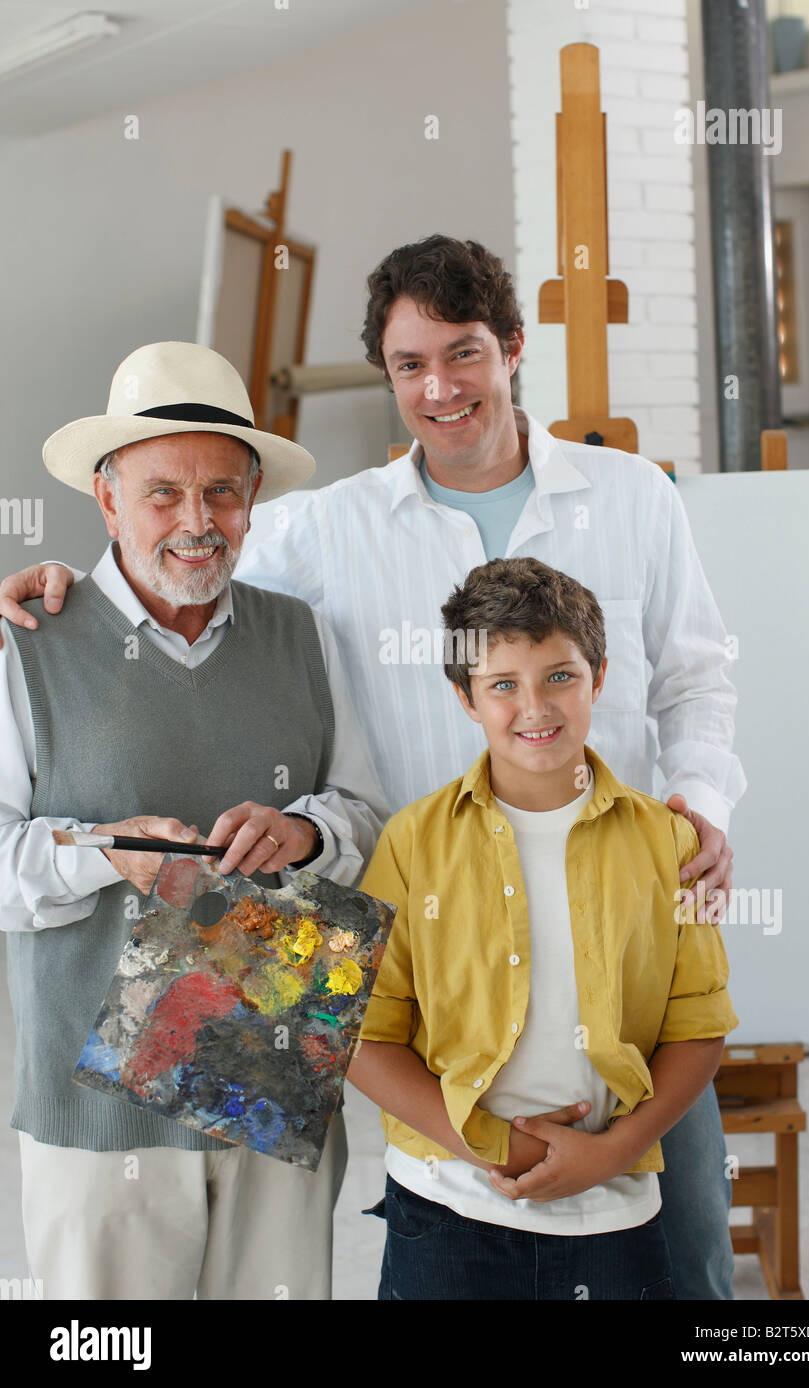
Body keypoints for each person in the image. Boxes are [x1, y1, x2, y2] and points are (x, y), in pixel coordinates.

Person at [0, 235, 744, 1298]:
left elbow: (698, 679)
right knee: (436, 1236)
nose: (438, 387)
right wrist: (49, 595)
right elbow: (171, 557)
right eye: (408, 363)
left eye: (464, 353)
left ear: (512, 350)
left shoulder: (630, 499)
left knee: (681, 1266)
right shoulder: (327, 530)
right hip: (412, 972)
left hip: (616, 943)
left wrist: (701, 803)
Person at [0, 340, 389, 1300]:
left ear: (253, 499)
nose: (196, 521)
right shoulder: (29, 647)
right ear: (107, 499)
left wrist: (305, 833)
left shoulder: (300, 634)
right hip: (97, 1121)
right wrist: (107, 854)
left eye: (222, 492)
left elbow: (366, 810)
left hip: (274, 1069)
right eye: (163, 493)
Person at [347, 556, 738, 1300]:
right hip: (445, 1204)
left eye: (560, 676)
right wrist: (488, 1139)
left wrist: (614, 1152)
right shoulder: (411, 841)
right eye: (503, 685)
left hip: (614, 1214)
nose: (535, 707)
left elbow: (699, 1026)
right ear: (465, 697)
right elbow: (364, 1032)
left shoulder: (669, 843)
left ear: (599, 677)